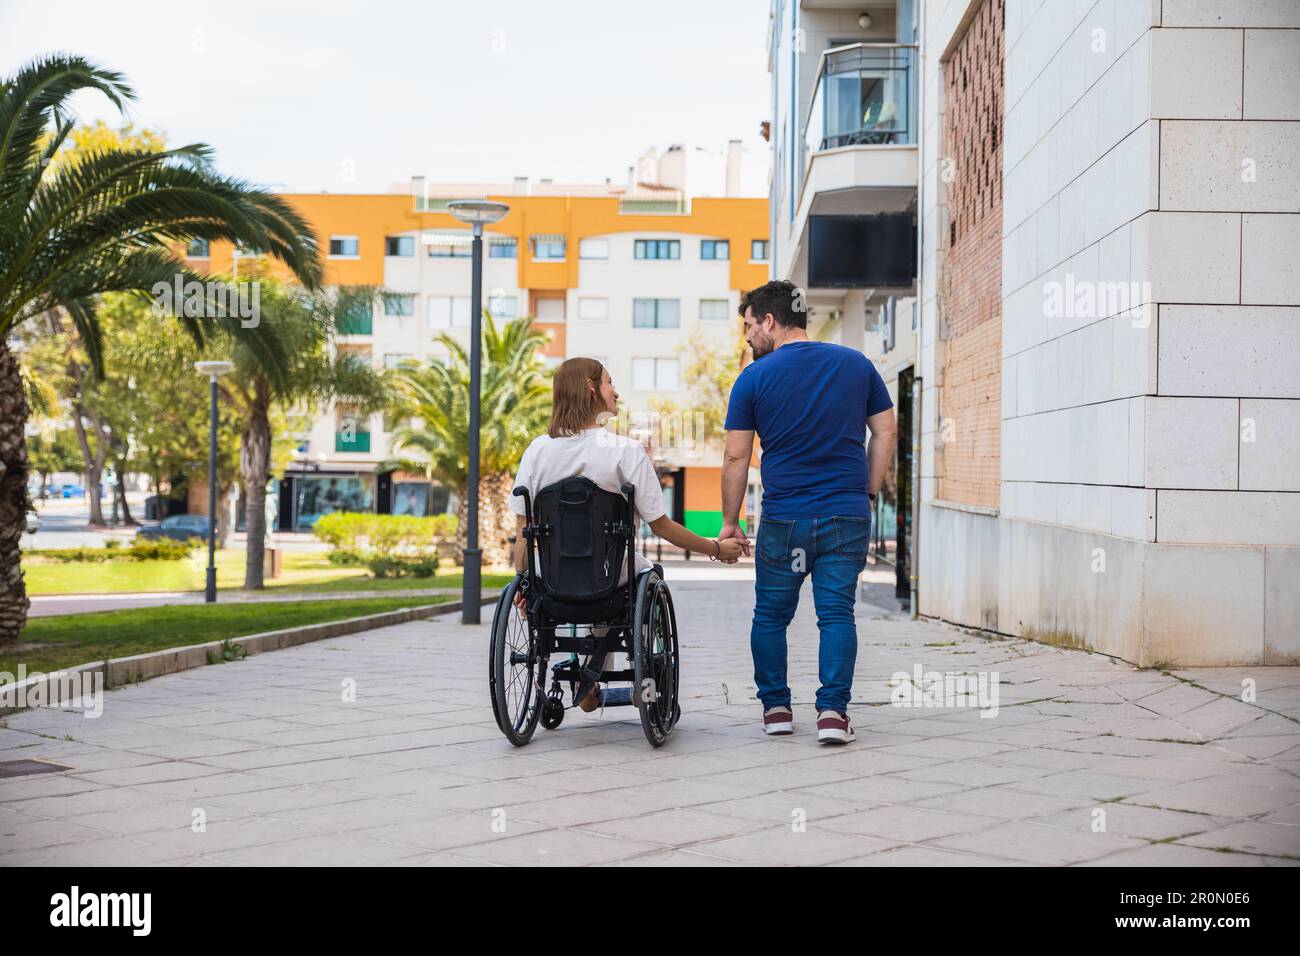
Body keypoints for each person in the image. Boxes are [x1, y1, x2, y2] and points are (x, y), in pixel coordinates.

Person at [510, 357, 744, 712]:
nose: (616, 392)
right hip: (611, 581)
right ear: (591, 388)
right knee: (645, 577)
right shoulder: (624, 451)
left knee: (603, 582)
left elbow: (524, 532)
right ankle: (642, 679)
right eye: (609, 382)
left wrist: (524, 582)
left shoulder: (537, 452)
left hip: (554, 583)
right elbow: (662, 526)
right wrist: (715, 548)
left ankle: (587, 681)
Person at [721, 280, 898, 744]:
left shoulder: (753, 379)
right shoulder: (855, 365)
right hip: (846, 513)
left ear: (770, 321)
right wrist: (869, 492)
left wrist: (729, 522)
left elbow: (736, 458)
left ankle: (776, 709)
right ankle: (832, 715)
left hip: (784, 519)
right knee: (836, 614)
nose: (747, 338)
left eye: (749, 327)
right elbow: (885, 432)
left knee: (770, 615)